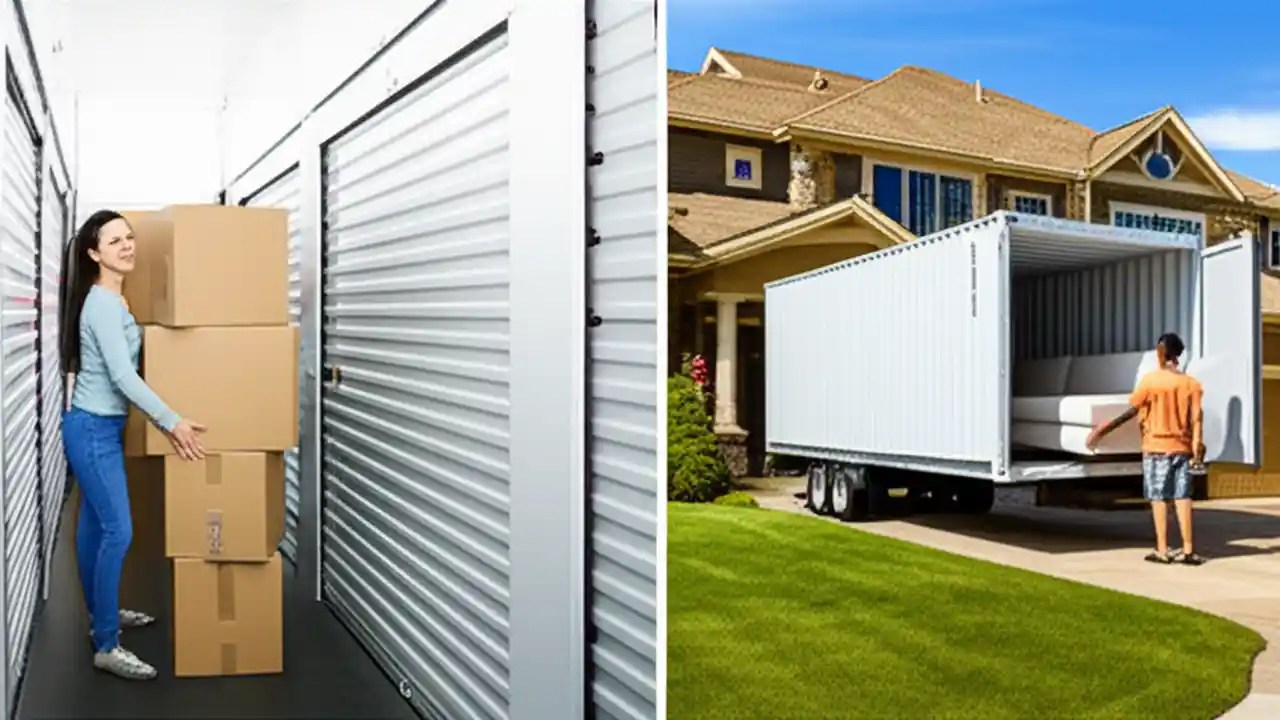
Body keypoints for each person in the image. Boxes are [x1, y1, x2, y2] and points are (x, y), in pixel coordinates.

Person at [59, 210, 208, 680]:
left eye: (130, 237)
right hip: (92, 430)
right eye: (114, 240)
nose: (127, 246)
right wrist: (172, 422)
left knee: (94, 529)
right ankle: (106, 644)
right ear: (93, 253)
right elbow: (123, 376)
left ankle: (101, 614)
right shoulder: (102, 304)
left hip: (98, 428)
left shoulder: (112, 300)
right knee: (118, 532)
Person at [1086, 332, 1205, 566]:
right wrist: (1196, 450)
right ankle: (1188, 550)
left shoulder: (1151, 381)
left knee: (1158, 498)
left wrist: (1102, 431)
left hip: (1156, 448)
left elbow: (1131, 411)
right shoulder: (1192, 385)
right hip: (1182, 449)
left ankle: (1162, 550)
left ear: (1162, 353)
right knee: (1183, 497)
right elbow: (1197, 420)